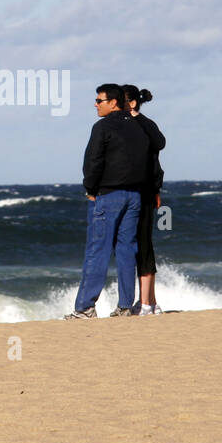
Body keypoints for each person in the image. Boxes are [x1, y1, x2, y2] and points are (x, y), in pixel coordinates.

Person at [64, 83, 151, 319]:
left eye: (99, 100)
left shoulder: (102, 127)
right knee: (126, 251)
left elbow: (92, 161)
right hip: (134, 195)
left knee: (98, 250)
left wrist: (90, 189)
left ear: (113, 102)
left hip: (109, 195)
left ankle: (85, 307)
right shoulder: (138, 126)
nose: (95, 104)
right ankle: (125, 306)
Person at [122, 85, 166, 314]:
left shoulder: (139, 125)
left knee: (143, 246)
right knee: (142, 244)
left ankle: (147, 304)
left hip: (143, 192)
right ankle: (150, 301)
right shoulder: (144, 124)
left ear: (131, 103)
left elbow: (159, 145)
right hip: (146, 191)